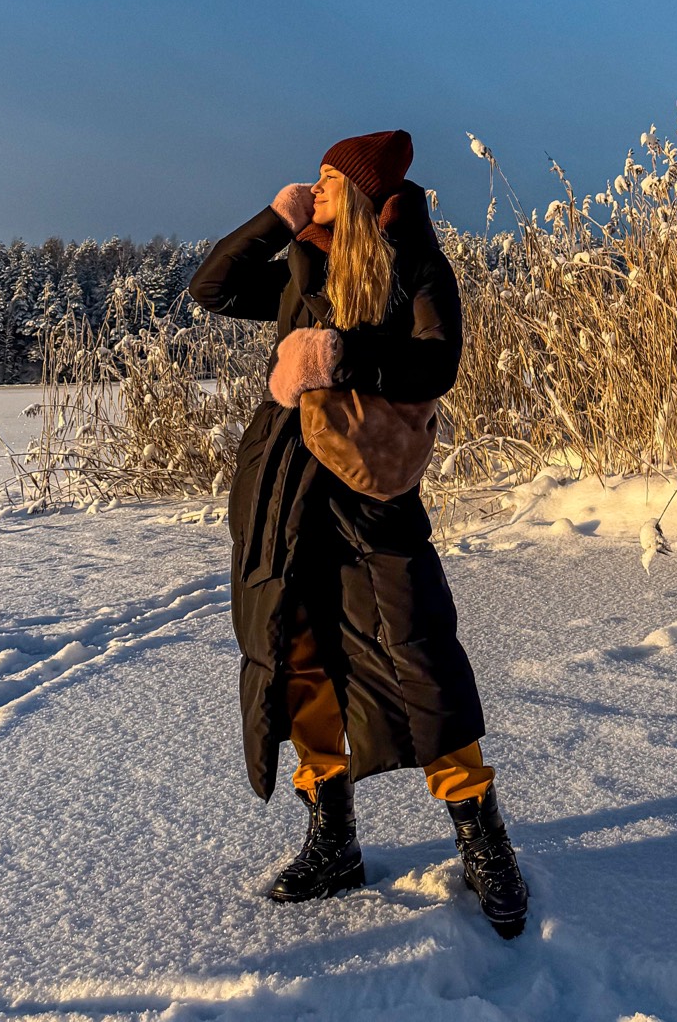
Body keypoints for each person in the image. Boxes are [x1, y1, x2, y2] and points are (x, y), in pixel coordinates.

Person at [189, 129, 528, 938]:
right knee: (297, 656)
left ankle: (482, 835)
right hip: (284, 491)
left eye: (328, 177)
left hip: (372, 493)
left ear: (364, 190)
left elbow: (436, 361)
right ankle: (331, 835)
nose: (316, 185)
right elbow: (211, 286)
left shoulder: (412, 255)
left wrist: (339, 355)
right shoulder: (302, 258)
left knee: (418, 655)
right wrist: (277, 219)